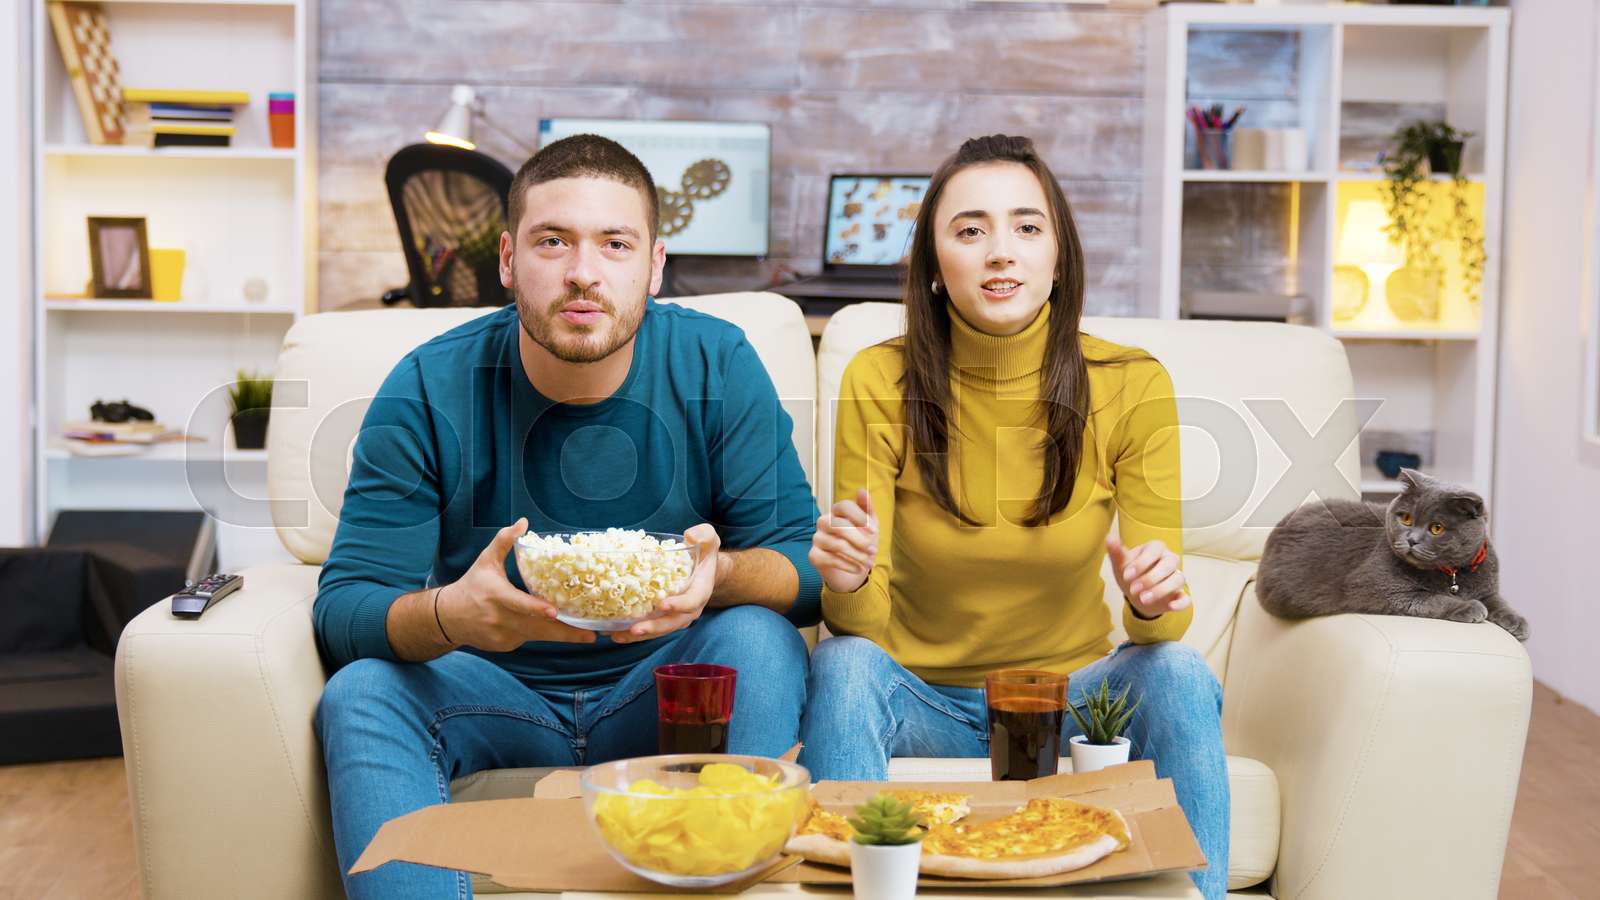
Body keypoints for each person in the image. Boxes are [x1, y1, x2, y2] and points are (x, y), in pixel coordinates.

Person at [313, 134, 822, 899]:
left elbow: (806, 569)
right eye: (554, 242)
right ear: (509, 261)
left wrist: (714, 577)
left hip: (663, 687)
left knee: (758, 635)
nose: (584, 272)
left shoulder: (717, 363)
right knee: (361, 693)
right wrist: (452, 615)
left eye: (615, 243)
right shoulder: (426, 384)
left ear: (653, 267)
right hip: (489, 694)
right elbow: (343, 609)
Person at [797, 134, 1229, 899]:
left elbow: (1160, 630)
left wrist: (1152, 598)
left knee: (1180, 674)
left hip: (1071, 697)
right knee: (841, 663)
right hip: (921, 696)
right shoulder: (879, 377)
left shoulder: (1130, 383)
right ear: (934, 266)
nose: (1002, 252)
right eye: (971, 230)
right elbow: (857, 626)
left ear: (1059, 256)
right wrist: (850, 574)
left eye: (1027, 228)